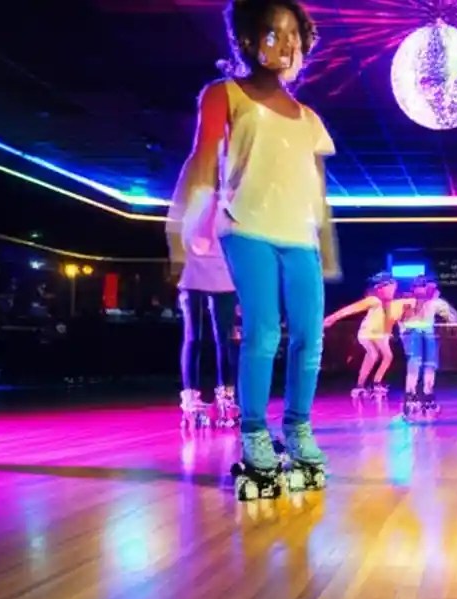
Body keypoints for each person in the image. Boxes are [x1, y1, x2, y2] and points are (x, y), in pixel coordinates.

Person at [166, 0, 337, 495]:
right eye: (273, 34)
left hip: (298, 236)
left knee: (310, 337)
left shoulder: (308, 118)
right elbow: (203, 160)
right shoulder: (224, 94)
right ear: (246, 41)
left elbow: (317, 189)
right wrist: (193, 219)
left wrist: (325, 246)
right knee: (263, 332)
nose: (286, 46)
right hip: (246, 228)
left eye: (294, 37)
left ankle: (298, 427)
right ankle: (255, 433)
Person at [170, 228, 240, 429]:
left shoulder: (225, 199)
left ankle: (221, 400)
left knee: (220, 340)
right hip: (201, 274)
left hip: (220, 277)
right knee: (198, 338)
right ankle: (196, 402)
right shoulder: (195, 198)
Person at [324, 273, 402, 398]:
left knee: (380, 356)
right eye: (389, 288)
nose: (392, 291)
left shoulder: (391, 304)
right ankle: (368, 384)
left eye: (394, 288)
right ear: (380, 288)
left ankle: (368, 384)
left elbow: (389, 320)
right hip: (369, 333)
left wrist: (388, 332)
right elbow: (351, 309)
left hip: (380, 334)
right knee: (381, 355)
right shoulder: (374, 300)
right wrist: (333, 318)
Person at [397, 276, 457, 415]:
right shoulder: (408, 302)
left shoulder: (434, 302)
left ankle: (425, 394)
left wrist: (452, 322)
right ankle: (412, 394)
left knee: (429, 364)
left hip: (425, 333)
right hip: (414, 333)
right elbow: (399, 319)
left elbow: (452, 316)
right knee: (416, 363)